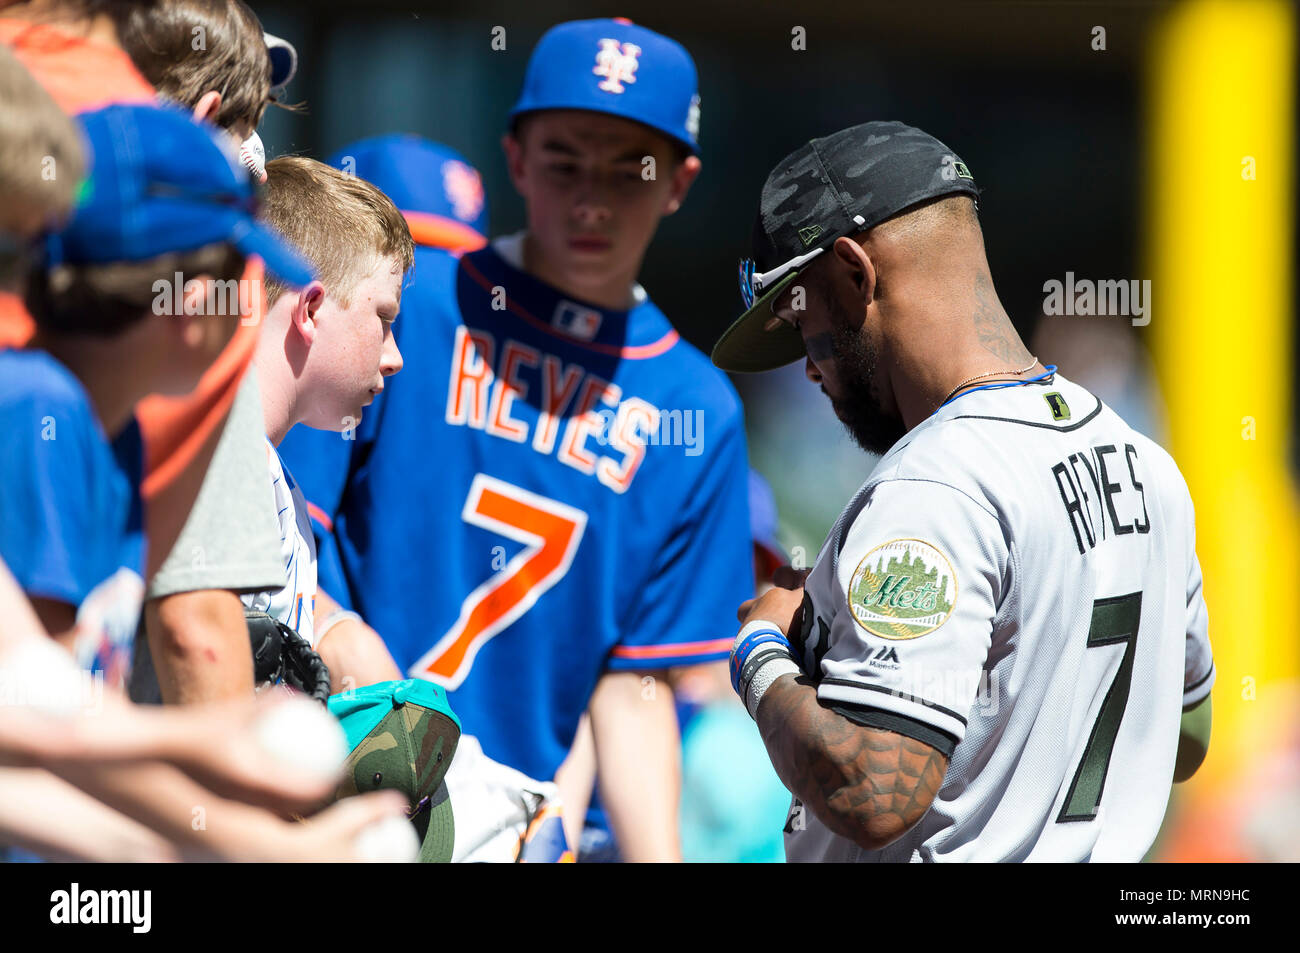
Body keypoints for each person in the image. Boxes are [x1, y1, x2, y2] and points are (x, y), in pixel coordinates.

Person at [279, 18, 752, 861]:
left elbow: (633, 679)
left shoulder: (697, 406)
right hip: (327, 767)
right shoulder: (409, 310)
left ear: (679, 182)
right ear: (517, 158)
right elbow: (282, 526)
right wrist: (353, 657)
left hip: (516, 817)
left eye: (630, 169)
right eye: (566, 160)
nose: (593, 198)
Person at [714, 120, 1214, 862]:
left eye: (801, 319)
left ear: (855, 275)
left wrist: (761, 650)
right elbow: (1186, 737)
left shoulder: (933, 482)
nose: (809, 368)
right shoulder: (1144, 462)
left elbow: (875, 793)